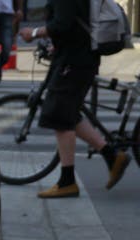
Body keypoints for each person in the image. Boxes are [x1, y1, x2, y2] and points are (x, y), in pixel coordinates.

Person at [20, 0, 131, 198]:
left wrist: (34, 33)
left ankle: (67, 182)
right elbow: (73, 24)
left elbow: (63, 24)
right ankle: (112, 157)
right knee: (67, 113)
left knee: (60, 117)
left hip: (74, 61)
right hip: (76, 57)